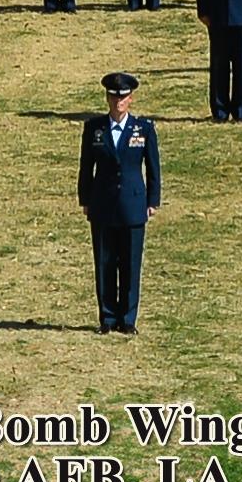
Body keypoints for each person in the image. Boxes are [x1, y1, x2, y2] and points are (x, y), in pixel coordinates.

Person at [75, 71, 162, 334]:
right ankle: (108, 318)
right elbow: (85, 167)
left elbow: (153, 167)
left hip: (133, 204)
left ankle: (128, 319)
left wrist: (153, 199)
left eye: (122, 97)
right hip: (102, 203)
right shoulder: (94, 129)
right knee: (104, 262)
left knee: (130, 263)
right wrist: (85, 199)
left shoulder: (143, 129)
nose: (118, 102)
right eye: (113, 97)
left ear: (130, 99)